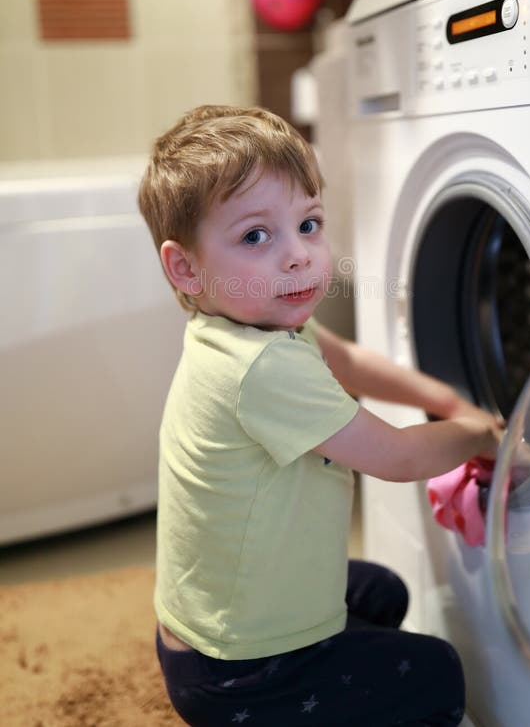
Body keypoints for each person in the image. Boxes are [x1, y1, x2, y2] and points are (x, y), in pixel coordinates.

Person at [137, 104, 505, 727]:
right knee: (434, 670)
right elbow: (399, 458)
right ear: (186, 267)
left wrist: (446, 402)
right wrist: (486, 434)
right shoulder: (260, 368)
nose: (298, 255)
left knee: (380, 593)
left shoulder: (248, 327)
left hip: (207, 627)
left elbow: (353, 362)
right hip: (234, 673)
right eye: (257, 236)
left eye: (309, 224)